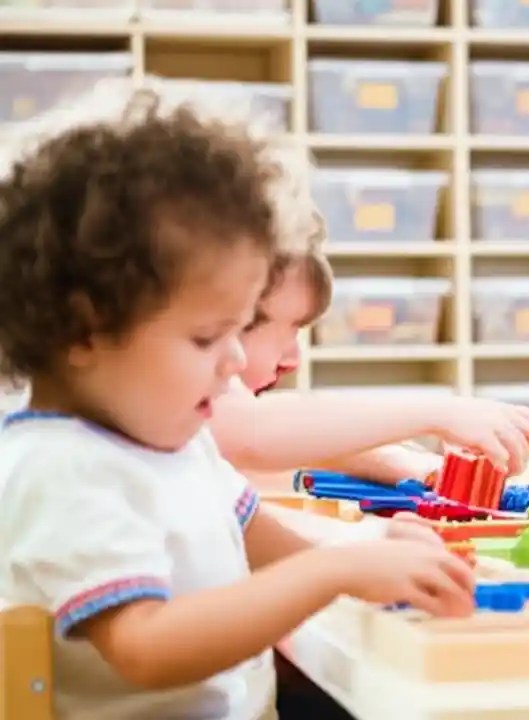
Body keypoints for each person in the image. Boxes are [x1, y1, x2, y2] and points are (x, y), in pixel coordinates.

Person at [0, 84, 473, 719]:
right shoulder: (61, 468)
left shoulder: (176, 439)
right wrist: (330, 575)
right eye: (206, 337)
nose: (232, 361)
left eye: (240, 329)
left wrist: (362, 558)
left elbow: (254, 534)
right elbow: (145, 647)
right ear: (84, 330)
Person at [210, 143, 529, 489]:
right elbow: (252, 431)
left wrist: (405, 464)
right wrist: (439, 413)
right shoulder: (206, 406)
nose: (293, 360)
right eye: (289, 328)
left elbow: (281, 438)